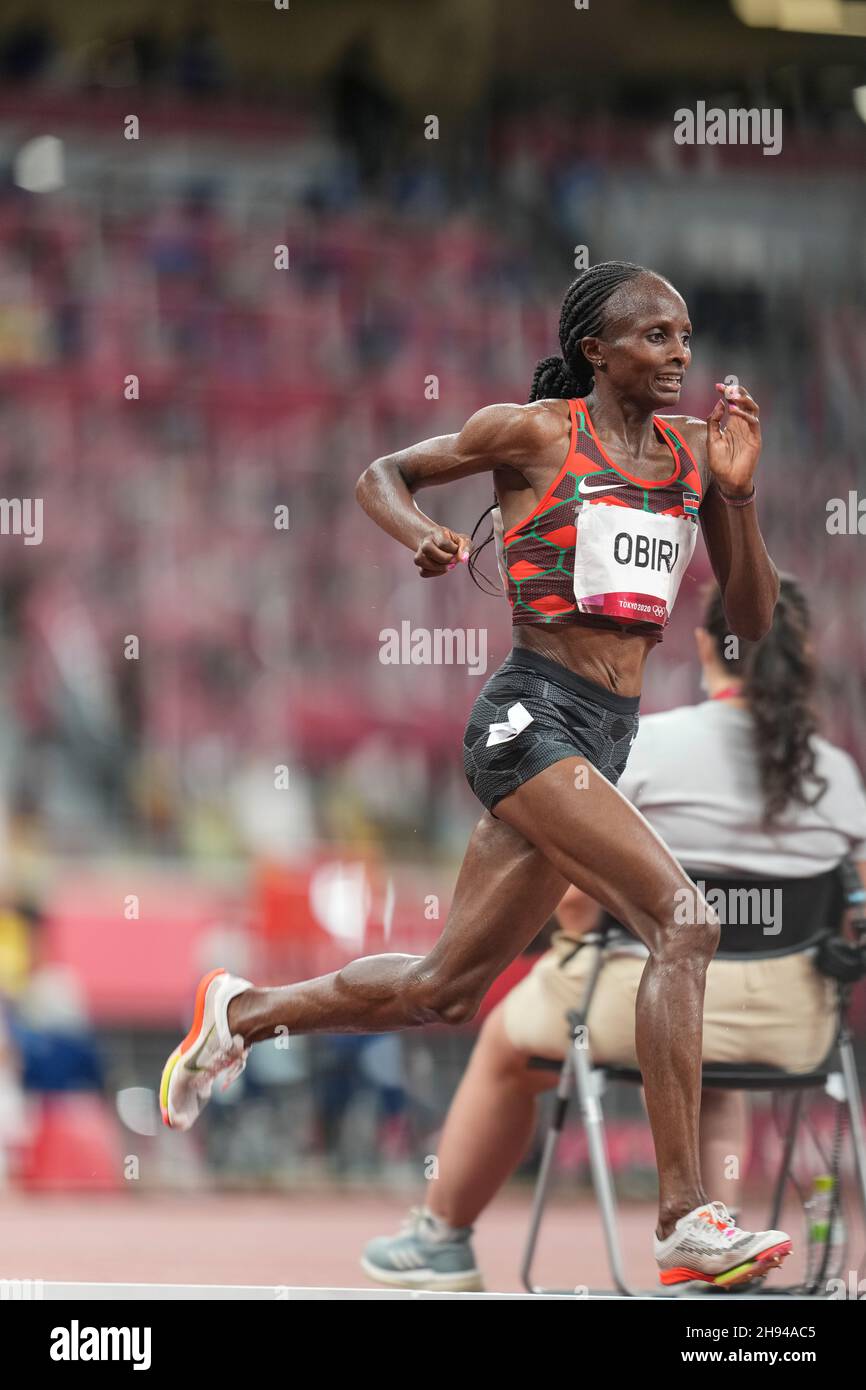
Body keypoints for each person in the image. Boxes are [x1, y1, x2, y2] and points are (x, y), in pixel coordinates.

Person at [159, 260, 790, 1288]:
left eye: (685, 336)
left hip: (603, 738)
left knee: (442, 989)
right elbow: (383, 473)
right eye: (654, 337)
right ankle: (683, 1218)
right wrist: (419, 536)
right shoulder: (533, 432)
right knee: (683, 920)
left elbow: (752, 623)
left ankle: (239, 1013)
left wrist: (740, 494)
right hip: (525, 717)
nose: (680, 354)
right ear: (595, 348)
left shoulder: (690, 458)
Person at [361, 575, 866, 1291]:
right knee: (714, 1072)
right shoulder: (840, 776)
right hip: (794, 1026)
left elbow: (572, 906)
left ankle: (441, 1238)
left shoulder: (649, 746)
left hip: (632, 1000)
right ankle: (707, 1244)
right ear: (807, 656)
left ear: (701, 645)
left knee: (508, 1038)